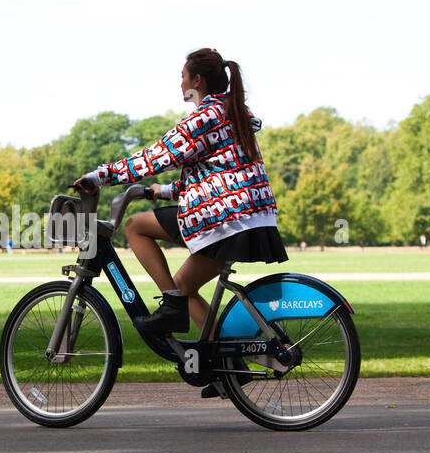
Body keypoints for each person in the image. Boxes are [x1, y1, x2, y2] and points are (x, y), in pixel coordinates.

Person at [72, 48, 287, 398]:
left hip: (226, 217)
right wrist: (166, 191)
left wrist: (100, 176)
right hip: (251, 214)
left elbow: (156, 156)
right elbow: (219, 171)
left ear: (197, 80)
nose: (181, 83)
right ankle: (231, 367)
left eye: (183, 76)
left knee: (135, 227)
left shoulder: (205, 117)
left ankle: (170, 306)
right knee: (186, 287)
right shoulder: (231, 113)